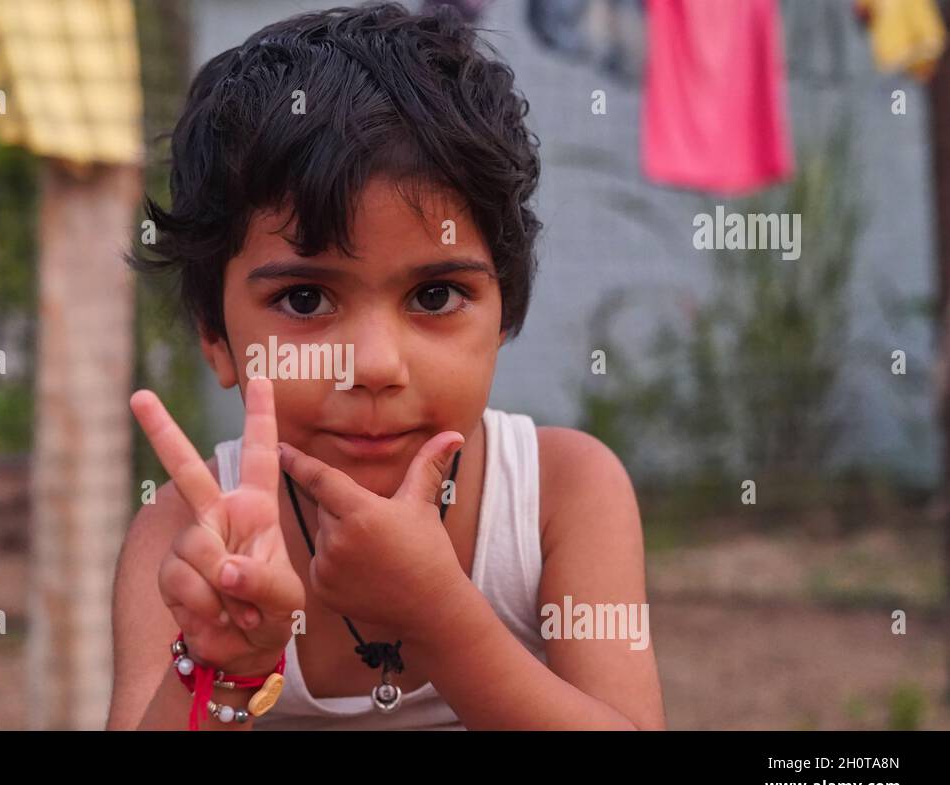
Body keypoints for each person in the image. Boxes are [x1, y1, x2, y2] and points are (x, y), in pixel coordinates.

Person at [107, 1, 665, 731]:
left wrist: (437, 609)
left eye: (435, 294)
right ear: (216, 335)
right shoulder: (189, 529)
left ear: (503, 313)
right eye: (305, 298)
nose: (373, 365)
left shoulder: (561, 495)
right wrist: (226, 666)